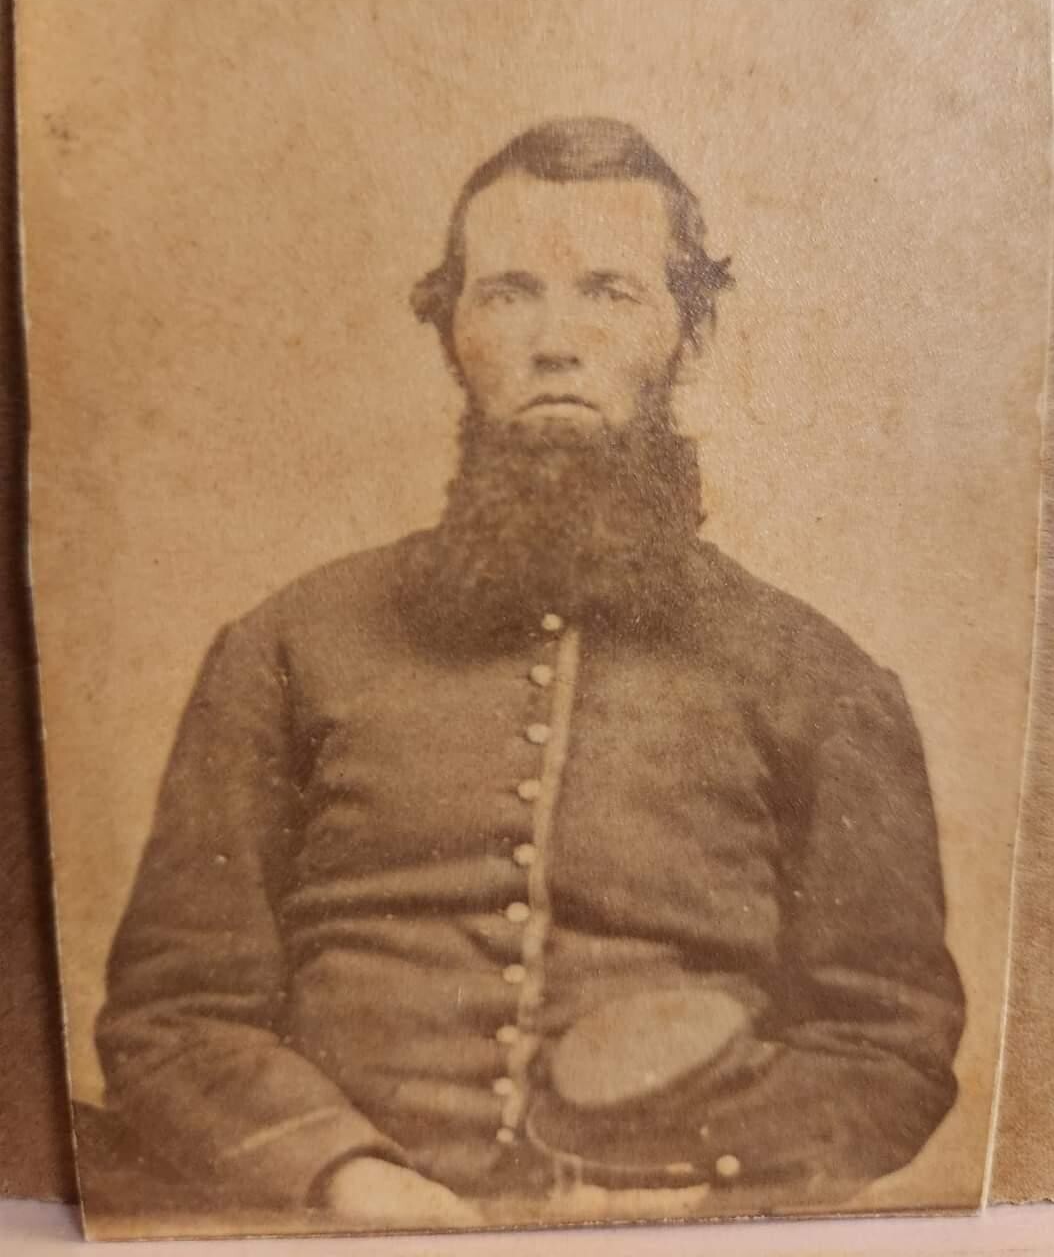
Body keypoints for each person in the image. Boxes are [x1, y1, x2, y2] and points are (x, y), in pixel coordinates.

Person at [89, 117, 965, 1232]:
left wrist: (713, 1189)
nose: (557, 339)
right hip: (332, 1233)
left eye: (610, 291)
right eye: (508, 293)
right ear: (451, 330)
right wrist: (346, 1181)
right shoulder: (287, 646)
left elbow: (885, 1041)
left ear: (684, 332)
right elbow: (174, 1014)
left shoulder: (821, 682)